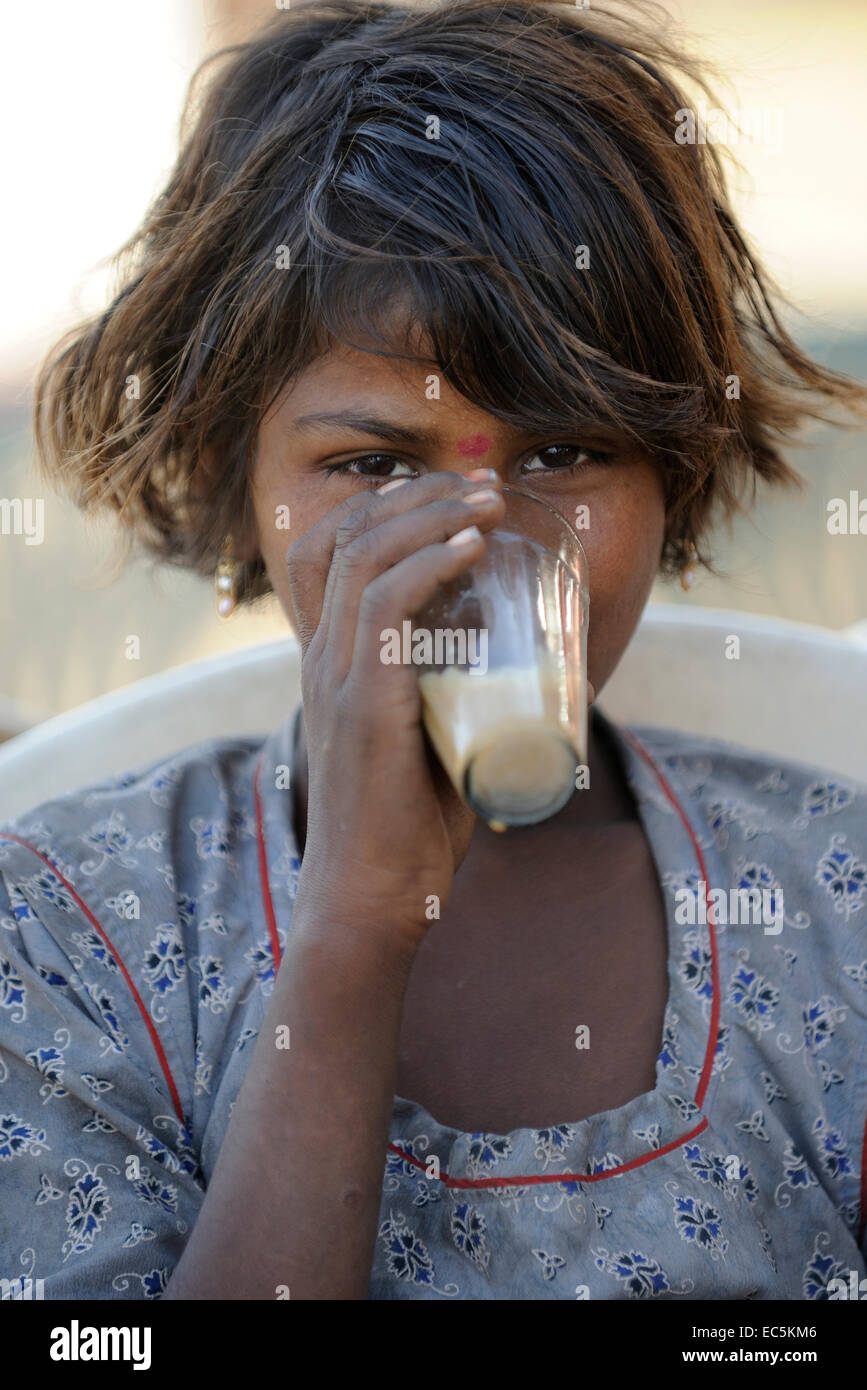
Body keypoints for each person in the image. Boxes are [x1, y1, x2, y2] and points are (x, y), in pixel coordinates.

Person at [2, 0, 865, 1301]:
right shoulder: (68, 933)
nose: (470, 545)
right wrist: (355, 923)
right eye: (374, 466)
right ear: (238, 482)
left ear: (676, 472)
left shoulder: (829, 902)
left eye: (565, 451)